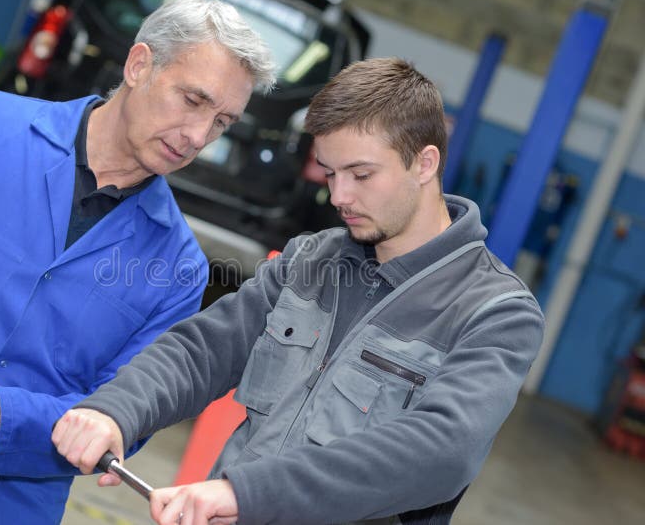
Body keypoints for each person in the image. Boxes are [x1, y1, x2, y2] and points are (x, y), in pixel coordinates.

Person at [52, 57, 545, 525]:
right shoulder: (311, 259)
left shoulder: (495, 312)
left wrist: (246, 494)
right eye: (330, 173)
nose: (339, 196)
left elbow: (440, 449)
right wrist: (115, 410)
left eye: (361, 174)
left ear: (424, 163)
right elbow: (203, 350)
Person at [0, 0, 274, 524]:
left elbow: (126, 412)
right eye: (192, 100)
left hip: (3, 507)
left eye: (222, 122)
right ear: (139, 65)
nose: (198, 137)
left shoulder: (179, 269)